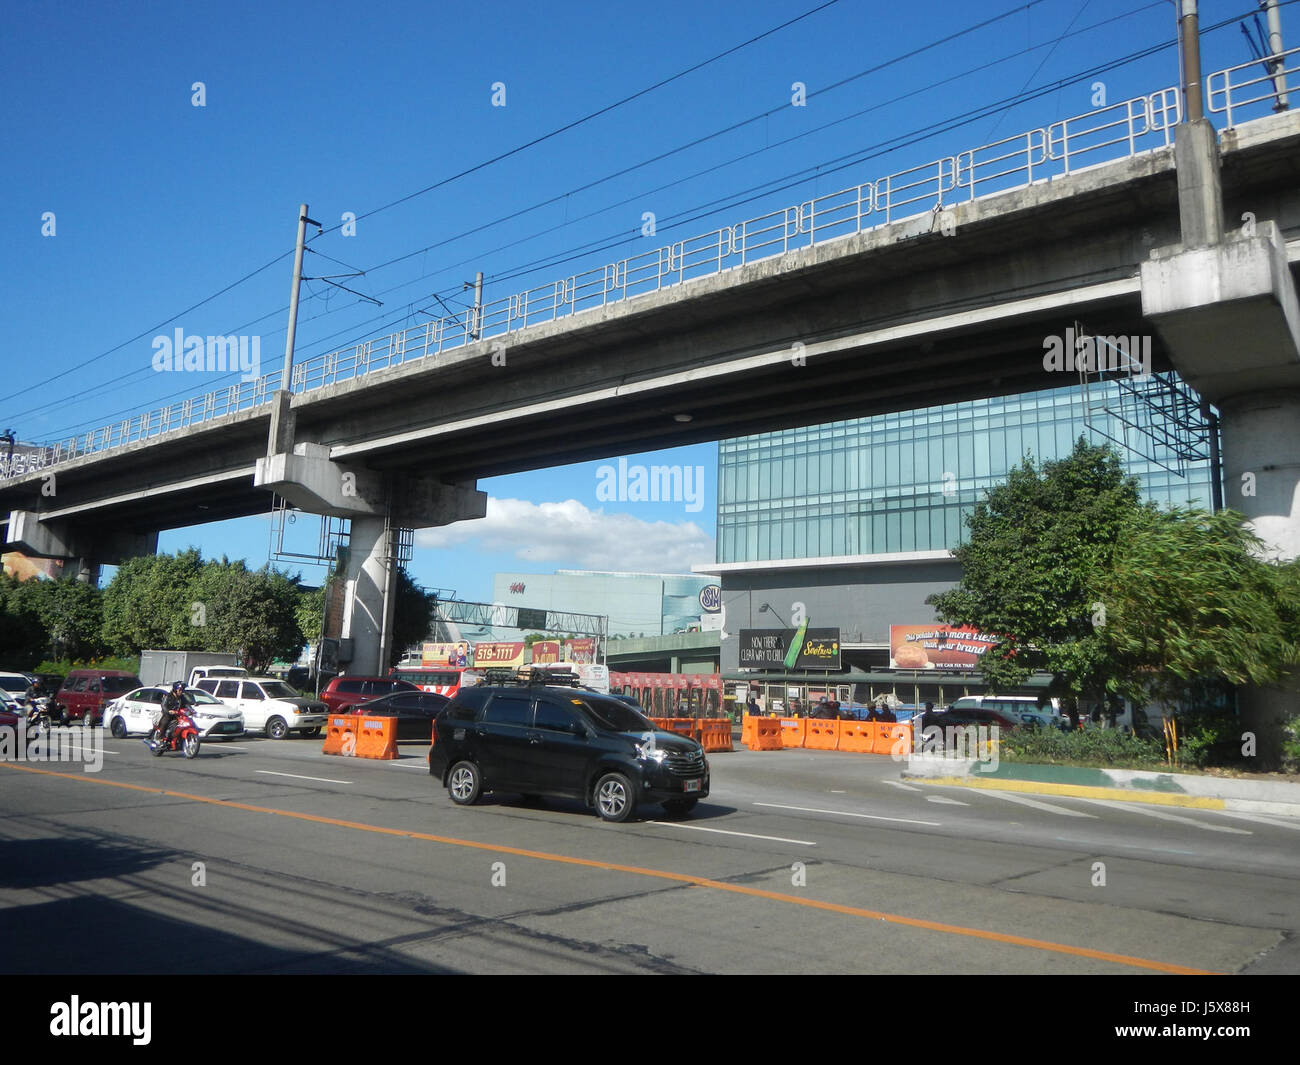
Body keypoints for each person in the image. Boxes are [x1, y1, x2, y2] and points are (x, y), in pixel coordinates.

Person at [152, 681, 187, 750]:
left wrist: (192, 710)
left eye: (182, 690)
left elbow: (186, 705)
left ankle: (177, 739)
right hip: (167, 714)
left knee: (183, 722)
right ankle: (160, 738)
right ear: (175, 689)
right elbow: (163, 705)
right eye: (180, 690)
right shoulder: (168, 696)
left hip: (177, 715)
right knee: (166, 720)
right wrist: (168, 711)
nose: (181, 691)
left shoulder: (182, 697)